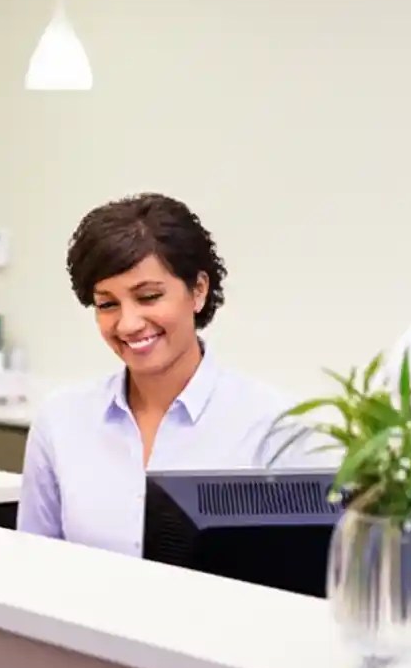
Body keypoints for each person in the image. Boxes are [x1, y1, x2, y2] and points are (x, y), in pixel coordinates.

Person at [17, 193, 313, 555]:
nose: (127, 324)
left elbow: (296, 578)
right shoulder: (60, 421)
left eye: (149, 297)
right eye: (107, 304)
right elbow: (33, 564)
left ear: (198, 291)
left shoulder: (273, 425)